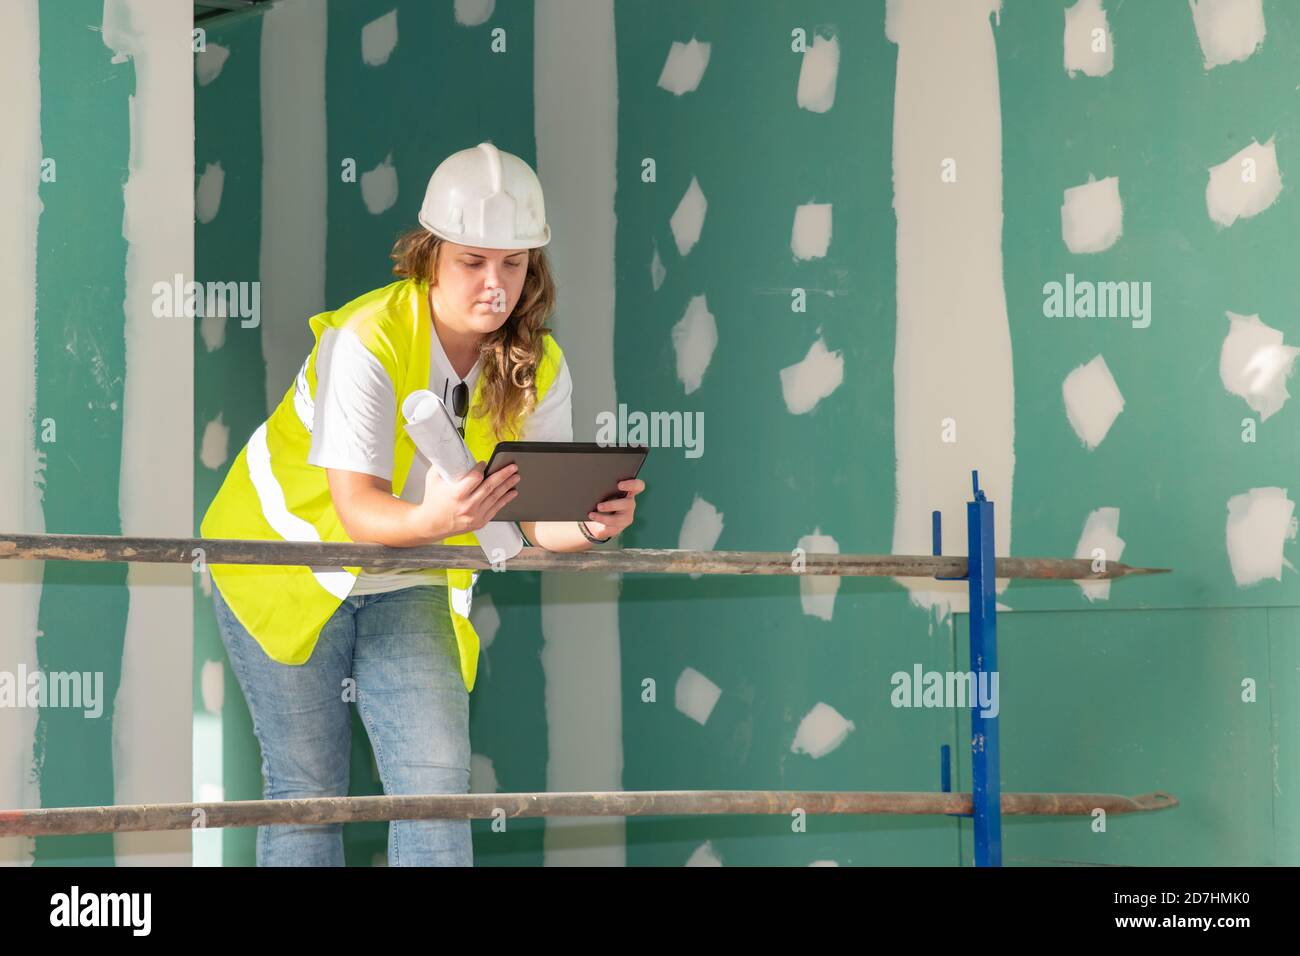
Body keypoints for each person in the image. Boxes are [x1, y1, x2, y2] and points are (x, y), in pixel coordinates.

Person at [200, 141, 644, 866]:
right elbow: (358, 512)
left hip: (408, 577)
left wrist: (589, 524)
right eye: (473, 261)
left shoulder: (539, 366)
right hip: (279, 567)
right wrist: (438, 522)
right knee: (309, 795)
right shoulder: (367, 340)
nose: (494, 283)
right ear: (431, 255)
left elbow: (532, 518)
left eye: (513, 263)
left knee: (435, 785)